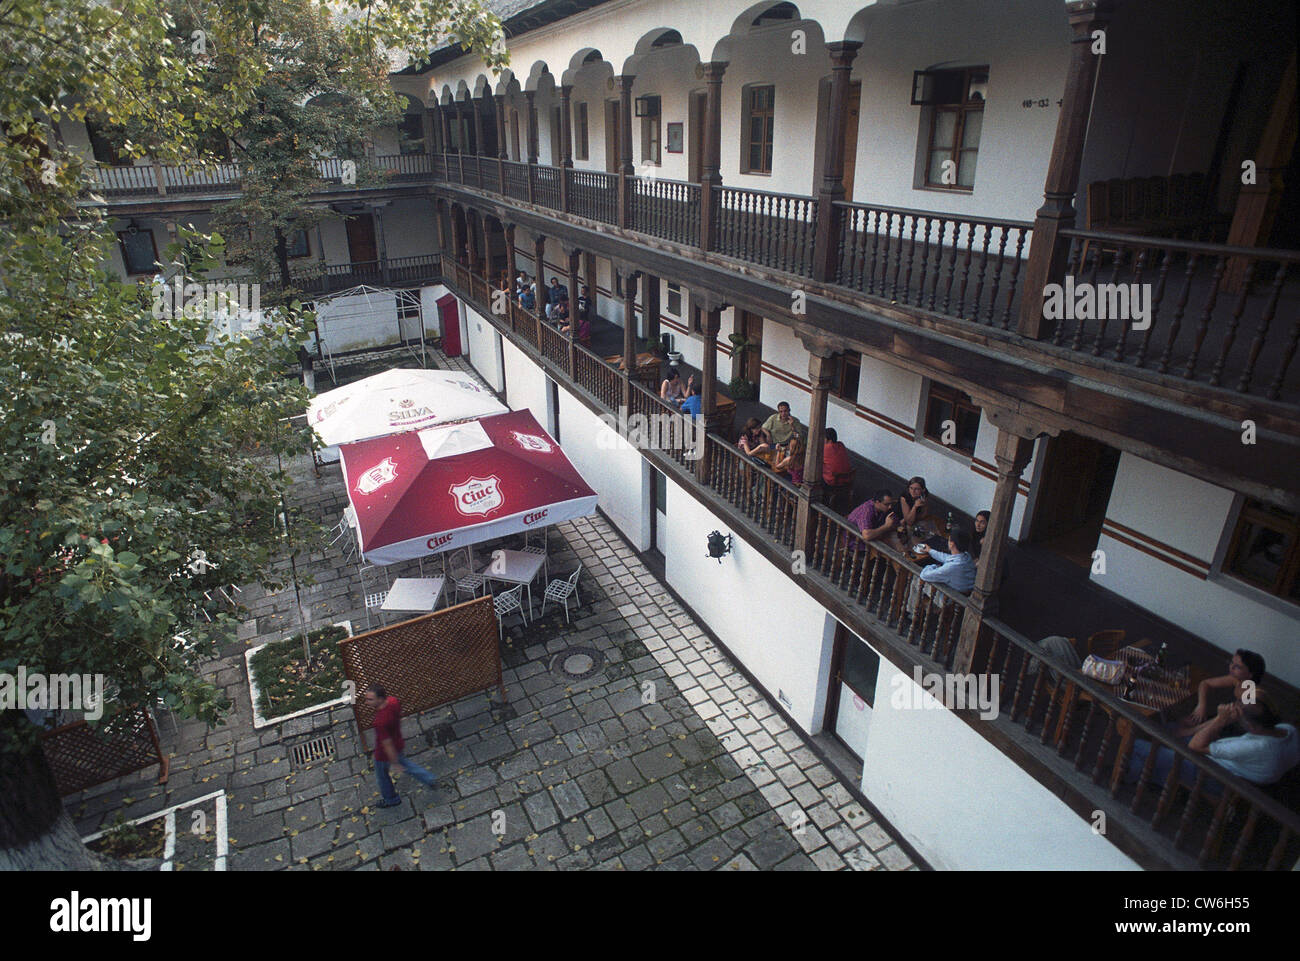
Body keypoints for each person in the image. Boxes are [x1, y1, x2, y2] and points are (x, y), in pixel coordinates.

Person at [365, 683, 438, 808]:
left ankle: (391, 799)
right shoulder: (393, 701)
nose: (367, 702)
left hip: (383, 754)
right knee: (406, 764)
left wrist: (394, 763)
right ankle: (428, 778)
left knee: (382, 776)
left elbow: (387, 744)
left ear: (380, 699)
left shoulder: (380, 722)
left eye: (370, 699)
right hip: (398, 742)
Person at [1177, 650, 1267, 731]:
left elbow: (1228, 719)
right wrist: (1201, 706)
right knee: (1185, 720)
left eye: (1238, 667)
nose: (1231, 667)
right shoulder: (1237, 679)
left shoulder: (1251, 694)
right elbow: (1205, 683)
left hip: (1244, 728)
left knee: (1188, 726)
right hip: (1231, 718)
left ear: (1250, 674)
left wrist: (1191, 731)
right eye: (1232, 662)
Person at [907, 527, 976, 615]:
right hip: (963, 595)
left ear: (952, 544)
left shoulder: (952, 567)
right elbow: (946, 558)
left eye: (949, 540)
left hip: (950, 598)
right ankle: (920, 609)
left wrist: (934, 566)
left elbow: (924, 575)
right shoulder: (966, 556)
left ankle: (912, 613)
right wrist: (930, 550)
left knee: (916, 579)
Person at [822, 427, 854, 511]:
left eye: (824, 438)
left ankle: (821, 502)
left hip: (834, 482)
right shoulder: (841, 445)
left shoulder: (826, 448)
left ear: (829, 440)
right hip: (847, 479)